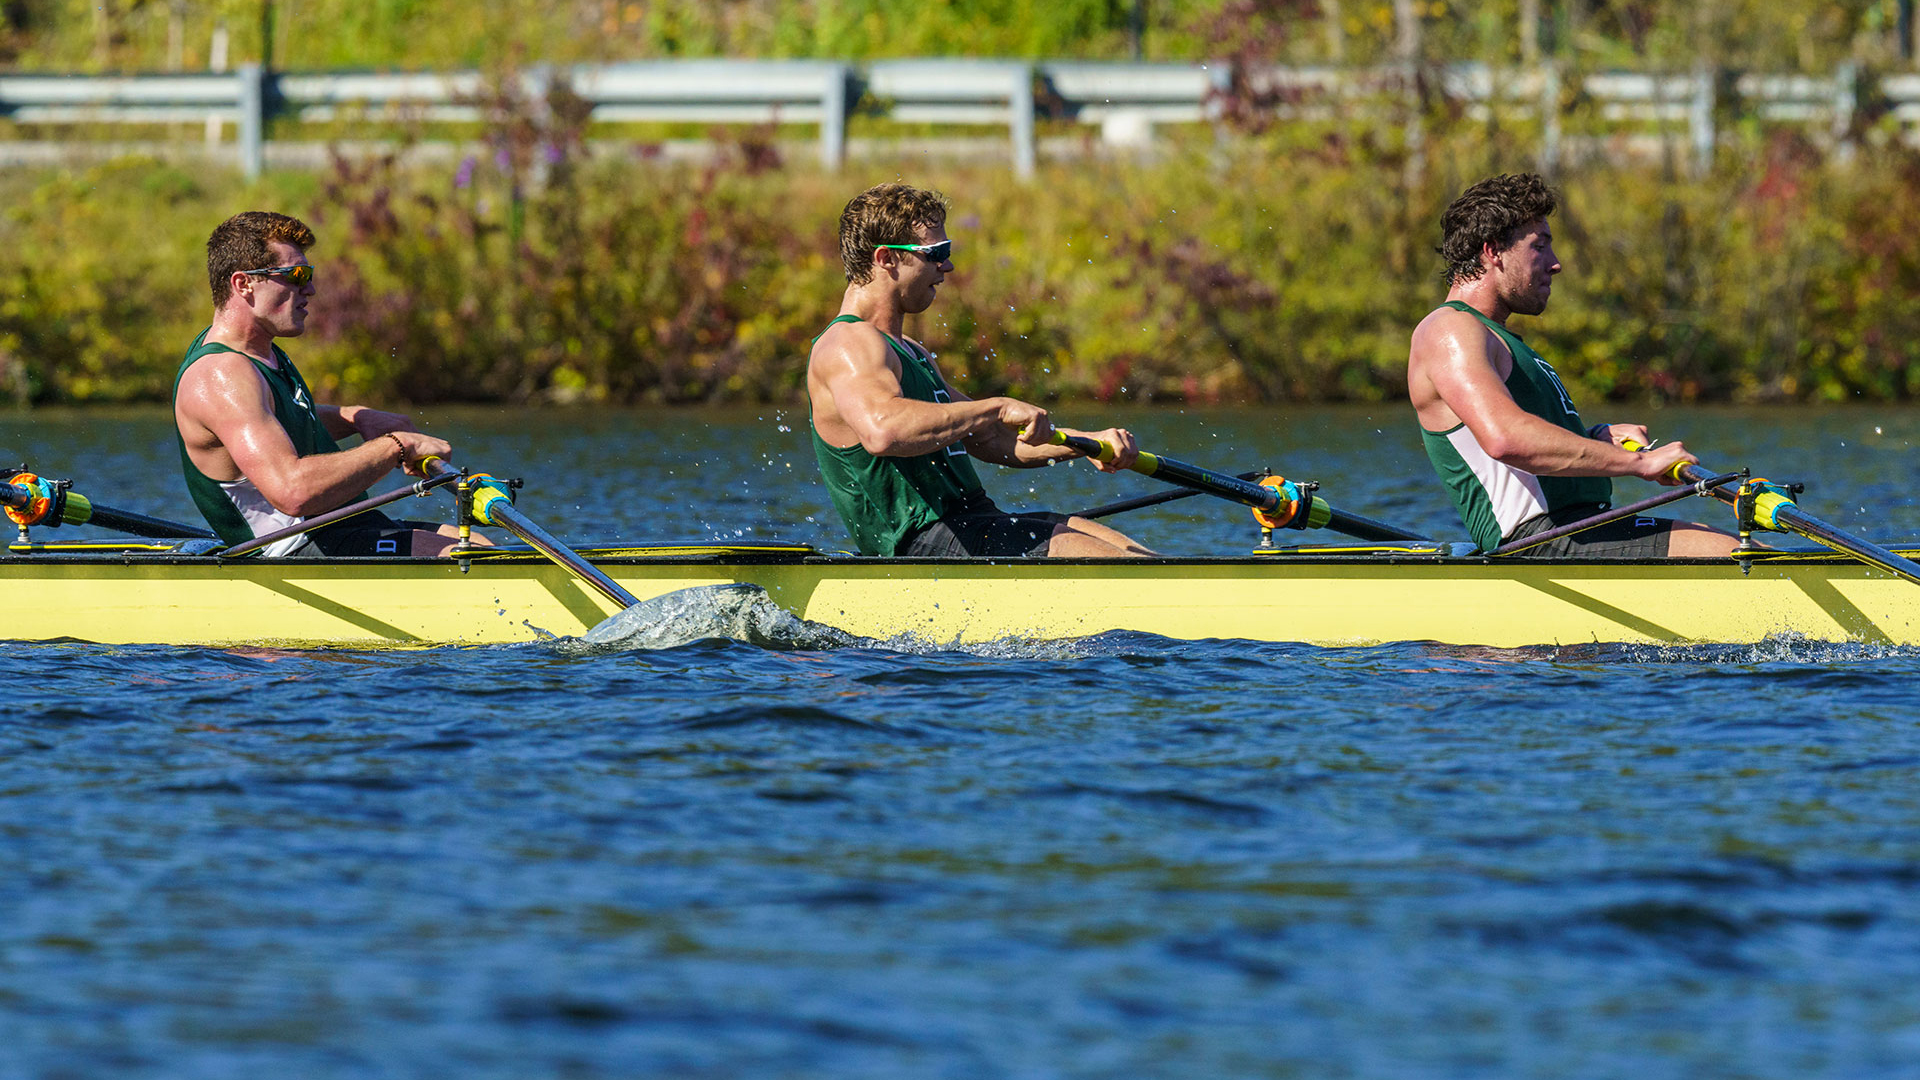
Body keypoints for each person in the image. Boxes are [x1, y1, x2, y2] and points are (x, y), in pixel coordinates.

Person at [807, 183, 1154, 558]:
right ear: (886, 258)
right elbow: (884, 431)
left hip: (974, 524)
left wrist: (1089, 442)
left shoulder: (910, 351)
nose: (947, 266)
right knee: (1092, 552)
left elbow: (992, 438)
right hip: (919, 543)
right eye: (936, 253)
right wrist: (997, 406)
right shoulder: (847, 343)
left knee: (1125, 550)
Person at [1407, 174, 1741, 557]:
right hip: (1539, 541)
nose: (1555, 264)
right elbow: (1505, 439)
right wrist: (1638, 462)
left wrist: (1592, 438)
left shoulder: (1494, 337)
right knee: (1740, 554)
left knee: (1748, 550)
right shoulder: (1450, 330)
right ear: (1494, 251)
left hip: (1577, 529)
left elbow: (1523, 441)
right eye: (1539, 246)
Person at [174, 211, 486, 556]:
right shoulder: (221, 375)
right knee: (464, 556)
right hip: (293, 549)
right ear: (243, 284)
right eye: (296, 276)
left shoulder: (258, 354)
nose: (309, 289)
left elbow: (278, 418)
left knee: (482, 546)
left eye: (308, 274)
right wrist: (395, 447)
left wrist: (355, 418)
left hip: (338, 527)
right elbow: (293, 491)